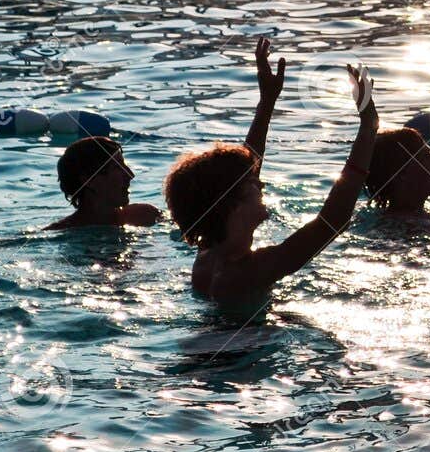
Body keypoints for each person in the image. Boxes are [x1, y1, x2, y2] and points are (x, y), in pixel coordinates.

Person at [162, 39, 378, 305]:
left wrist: (267, 101)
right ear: (231, 205)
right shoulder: (242, 273)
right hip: (247, 334)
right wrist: (369, 126)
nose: (261, 185)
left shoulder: (210, 252)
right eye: (252, 183)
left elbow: (244, 167)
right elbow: (333, 221)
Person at [44, 136, 161, 230]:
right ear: (89, 181)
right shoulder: (59, 232)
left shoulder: (147, 215)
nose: (130, 175)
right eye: (117, 167)